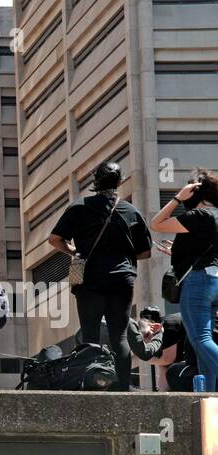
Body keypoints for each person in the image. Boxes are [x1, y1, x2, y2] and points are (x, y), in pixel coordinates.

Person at [49, 160, 153, 390]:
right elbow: (145, 251)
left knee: (90, 335)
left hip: (91, 280)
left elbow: (55, 239)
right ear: (120, 181)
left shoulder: (80, 207)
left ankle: (93, 384)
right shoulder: (130, 211)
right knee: (120, 335)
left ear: (95, 181)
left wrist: (74, 251)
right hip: (122, 279)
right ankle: (123, 387)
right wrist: (123, 254)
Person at [150, 170, 218, 390]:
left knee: (200, 339)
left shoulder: (198, 216)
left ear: (194, 192)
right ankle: (209, 396)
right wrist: (180, 252)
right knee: (201, 345)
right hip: (214, 280)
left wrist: (178, 198)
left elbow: (157, 223)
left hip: (199, 282)